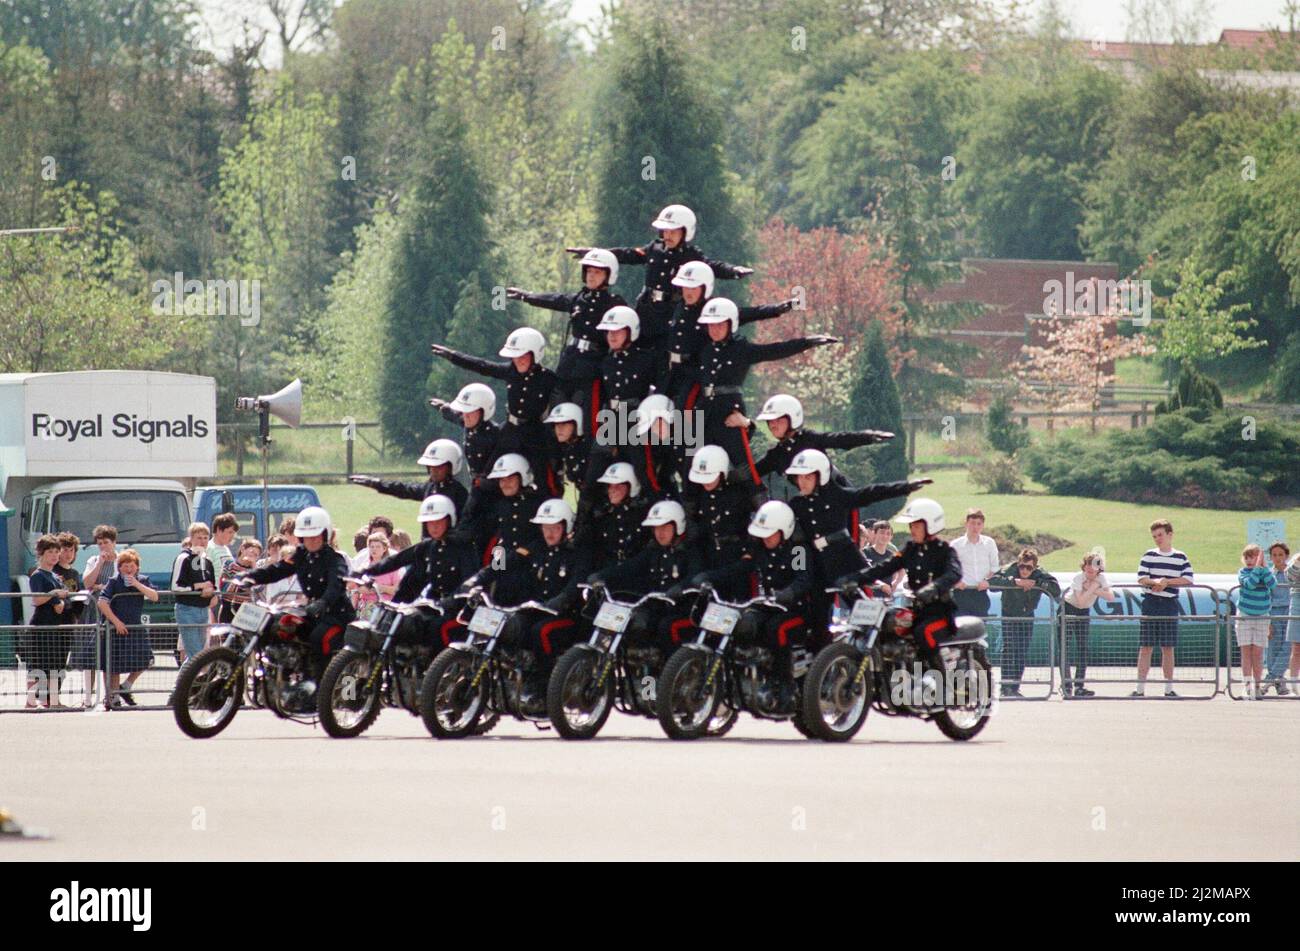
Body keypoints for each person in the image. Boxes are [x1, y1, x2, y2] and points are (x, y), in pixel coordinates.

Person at [688, 298, 838, 485]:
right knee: (691, 460)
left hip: (729, 412)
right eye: (711, 325)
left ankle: (757, 505)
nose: (715, 329)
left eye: (720, 324)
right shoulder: (704, 349)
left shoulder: (741, 349)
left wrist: (806, 342)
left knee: (744, 468)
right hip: (702, 410)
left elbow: (775, 350)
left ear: (730, 325)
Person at [463, 498, 590, 704]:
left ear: (566, 527)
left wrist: (557, 603)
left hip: (565, 616)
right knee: (508, 626)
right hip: (532, 610)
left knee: (541, 632)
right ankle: (508, 676)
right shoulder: (534, 548)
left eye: (555, 527)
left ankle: (543, 685)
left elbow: (574, 588)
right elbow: (503, 563)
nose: (549, 533)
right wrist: (477, 579)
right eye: (545, 527)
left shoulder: (577, 554)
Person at [573, 203, 753, 348]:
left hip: (671, 312)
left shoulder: (691, 255)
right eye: (665, 231)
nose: (667, 236)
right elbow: (629, 254)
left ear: (685, 231)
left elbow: (711, 267)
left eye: (673, 231)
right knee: (636, 347)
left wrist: (733, 271)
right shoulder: (654, 248)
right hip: (646, 310)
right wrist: (594, 253)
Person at [784, 449, 931, 615]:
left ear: (820, 477)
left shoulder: (836, 496)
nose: (802, 482)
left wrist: (905, 487)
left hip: (844, 557)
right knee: (817, 615)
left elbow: (869, 493)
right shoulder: (796, 504)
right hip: (817, 562)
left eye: (808, 477)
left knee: (864, 609)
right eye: (799, 477)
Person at [695, 500, 819, 685]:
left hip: (794, 610)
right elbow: (739, 569)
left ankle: (785, 685)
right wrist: (708, 577)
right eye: (763, 533)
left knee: (776, 629)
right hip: (766, 607)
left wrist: (788, 593)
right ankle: (743, 676)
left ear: (783, 530)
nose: (766, 538)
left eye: (770, 533)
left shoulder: (797, 550)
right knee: (744, 624)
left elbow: (803, 580)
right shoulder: (759, 551)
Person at [240, 506, 356, 701]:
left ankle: (318, 693)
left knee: (318, 638)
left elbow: (336, 585)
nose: (311, 540)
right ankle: (280, 678)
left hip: (335, 614)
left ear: (325, 534)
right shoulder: (301, 555)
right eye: (306, 536)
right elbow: (278, 569)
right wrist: (251, 577)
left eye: (316, 535)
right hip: (311, 611)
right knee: (277, 625)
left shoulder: (335, 559)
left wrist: (323, 603)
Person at [506, 248, 627, 412]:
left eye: (597, 272)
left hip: (594, 367)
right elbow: (555, 299)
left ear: (609, 275)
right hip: (569, 364)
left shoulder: (615, 304)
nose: (591, 275)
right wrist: (527, 296)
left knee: (588, 416)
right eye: (589, 271)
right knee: (558, 409)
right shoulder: (579, 299)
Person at [431, 328, 558, 480]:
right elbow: (482, 366)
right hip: (509, 431)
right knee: (488, 473)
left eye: (523, 355)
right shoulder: (510, 371)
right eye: (514, 356)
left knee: (544, 474)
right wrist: (453, 356)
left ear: (535, 354)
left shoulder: (549, 378)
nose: (518, 360)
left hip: (536, 434)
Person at [589, 499, 704, 665]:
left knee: (667, 627)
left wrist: (680, 588)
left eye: (665, 527)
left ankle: (671, 671)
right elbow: (630, 566)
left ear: (677, 526)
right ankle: (633, 668)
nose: (660, 533)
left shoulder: (690, 551)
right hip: (656, 608)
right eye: (656, 528)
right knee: (634, 621)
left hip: (682, 610)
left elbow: (695, 575)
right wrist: (601, 576)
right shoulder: (653, 551)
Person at [662, 262, 796, 399]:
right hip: (669, 373)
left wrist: (775, 310)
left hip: (694, 376)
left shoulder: (713, 310)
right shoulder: (677, 307)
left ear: (705, 288)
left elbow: (747, 314)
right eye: (684, 287)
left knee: (686, 418)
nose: (688, 292)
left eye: (693, 287)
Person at [855, 499, 963, 669]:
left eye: (917, 526)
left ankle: (941, 679)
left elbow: (954, 573)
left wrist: (934, 587)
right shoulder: (910, 549)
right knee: (889, 627)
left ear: (930, 526)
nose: (912, 530)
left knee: (923, 632)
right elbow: (885, 567)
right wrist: (856, 578)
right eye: (911, 526)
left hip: (939, 613)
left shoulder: (945, 550)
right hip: (917, 610)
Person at [360, 495, 480, 646]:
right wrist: (365, 571)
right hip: (431, 605)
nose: (434, 527)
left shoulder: (464, 548)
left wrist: (450, 601)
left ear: (449, 521)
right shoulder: (428, 546)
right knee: (402, 623)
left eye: (438, 522)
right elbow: (396, 560)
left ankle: (436, 669)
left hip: (456, 610)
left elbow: (469, 583)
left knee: (435, 629)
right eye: (430, 523)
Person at [749, 393, 894, 504]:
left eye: (779, 420)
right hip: (807, 507)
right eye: (770, 421)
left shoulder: (809, 438)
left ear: (793, 418)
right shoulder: (776, 454)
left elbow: (839, 439)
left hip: (836, 499)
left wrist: (869, 437)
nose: (773, 425)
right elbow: (753, 473)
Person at [683, 445, 758, 599]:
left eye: (710, 477)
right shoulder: (700, 496)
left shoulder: (738, 492)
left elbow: (757, 520)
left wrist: (750, 552)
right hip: (710, 558)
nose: (705, 483)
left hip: (737, 557)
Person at [1134, 518, 1193, 698]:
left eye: (1160, 535)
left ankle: (1168, 688)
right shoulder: (1149, 555)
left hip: (1169, 604)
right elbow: (1141, 578)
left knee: (1168, 647)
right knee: (1146, 646)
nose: (1157, 539)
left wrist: (1167, 582)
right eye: (1154, 536)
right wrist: (1155, 583)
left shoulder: (1180, 557)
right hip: (1151, 602)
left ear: (1170, 534)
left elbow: (1188, 579)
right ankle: (1140, 688)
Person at [989, 548, 1060, 697]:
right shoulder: (1010, 569)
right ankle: (1005, 687)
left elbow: (1055, 589)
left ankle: (1015, 687)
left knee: (1021, 650)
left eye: (1029, 567)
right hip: (1009, 614)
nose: (1025, 570)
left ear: (1034, 567)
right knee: (1009, 649)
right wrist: (1015, 582)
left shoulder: (1039, 573)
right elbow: (993, 582)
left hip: (1027, 614)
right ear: (1018, 563)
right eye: (1022, 566)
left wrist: (1036, 583)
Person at [95, 550, 159, 708]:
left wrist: (137, 584)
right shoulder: (113, 581)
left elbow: (155, 597)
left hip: (135, 626)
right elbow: (102, 602)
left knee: (147, 659)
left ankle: (126, 686)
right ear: (119, 567)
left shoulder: (143, 580)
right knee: (114, 665)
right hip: (115, 628)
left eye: (132, 566)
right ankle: (112, 697)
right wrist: (116, 622)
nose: (129, 569)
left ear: (137, 567)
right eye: (125, 566)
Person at [349, 439, 469, 519]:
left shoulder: (459, 494)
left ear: (451, 466)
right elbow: (405, 489)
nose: (433, 470)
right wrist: (377, 484)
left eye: (439, 466)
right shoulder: (430, 488)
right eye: (431, 466)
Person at [593, 305, 662, 432]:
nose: (611, 336)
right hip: (610, 422)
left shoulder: (646, 360)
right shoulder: (605, 361)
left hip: (637, 423)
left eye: (617, 331)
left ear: (631, 332)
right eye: (608, 331)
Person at [572, 461, 650, 569]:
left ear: (631, 486)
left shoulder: (642, 515)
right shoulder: (601, 515)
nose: (612, 491)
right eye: (610, 486)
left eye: (618, 486)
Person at [1060, 551, 1117, 698]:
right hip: (1068, 608)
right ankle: (1066, 685)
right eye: (1088, 564)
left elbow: (1111, 597)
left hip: (1084, 612)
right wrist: (1093, 589)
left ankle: (1080, 685)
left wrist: (1094, 588)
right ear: (1084, 566)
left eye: (1094, 565)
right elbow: (1080, 600)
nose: (1090, 568)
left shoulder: (1101, 578)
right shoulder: (1078, 578)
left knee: (1083, 648)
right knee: (1064, 647)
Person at [21, 535, 67, 708]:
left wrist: (58, 598)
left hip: (55, 625)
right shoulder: (38, 576)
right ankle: (31, 701)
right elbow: (37, 599)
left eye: (57, 551)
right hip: (41, 624)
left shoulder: (55, 576)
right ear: (41, 554)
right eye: (50, 552)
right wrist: (55, 594)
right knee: (37, 664)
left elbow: (61, 604)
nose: (54, 555)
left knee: (53, 664)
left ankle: (52, 700)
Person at [430, 382, 503, 489]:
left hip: (497, 490)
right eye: (463, 411)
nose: (465, 415)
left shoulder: (496, 434)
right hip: (477, 487)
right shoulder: (470, 425)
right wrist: (443, 407)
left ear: (483, 411)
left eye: (470, 411)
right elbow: (455, 416)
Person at [170, 523, 218, 666]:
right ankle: (187, 687)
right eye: (198, 538)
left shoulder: (208, 561)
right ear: (191, 539)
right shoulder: (183, 558)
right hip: (187, 610)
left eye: (205, 538)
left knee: (198, 656)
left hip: (203, 610)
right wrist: (197, 587)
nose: (202, 541)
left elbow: (212, 584)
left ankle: (181, 686)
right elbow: (175, 586)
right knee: (196, 655)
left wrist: (210, 591)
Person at [1236, 544, 1275, 700]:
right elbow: (1250, 584)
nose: (1249, 560)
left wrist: (1263, 569)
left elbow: (1272, 585)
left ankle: (1257, 686)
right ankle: (1246, 686)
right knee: (1246, 651)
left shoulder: (1267, 571)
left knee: (1258, 653)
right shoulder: (1243, 572)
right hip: (1245, 615)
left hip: (1262, 615)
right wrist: (1257, 569)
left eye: (1253, 557)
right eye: (1247, 557)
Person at [51, 533, 85, 704]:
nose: (68, 554)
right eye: (64, 550)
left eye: (71, 550)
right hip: (56, 618)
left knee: (63, 659)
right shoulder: (54, 571)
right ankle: (48, 696)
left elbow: (78, 593)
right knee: (52, 659)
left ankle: (55, 695)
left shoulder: (74, 572)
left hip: (70, 618)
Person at [950, 509, 1000, 621]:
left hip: (980, 594)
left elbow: (995, 567)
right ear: (966, 523)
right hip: (961, 594)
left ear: (983, 525)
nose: (975, 527)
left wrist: (987, 581)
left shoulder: (989, 543)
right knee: (961, 632)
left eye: (979, 524)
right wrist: (956, 581)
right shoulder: (955, 545)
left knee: (979, 631)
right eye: (972, 523)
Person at [1263, 542, 1292, 696]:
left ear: (1286, 556)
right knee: (1273, 647)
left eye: (1281, 555)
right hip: (1274, 612)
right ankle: (1279, 680)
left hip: (1290, 611)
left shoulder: (1292, 572)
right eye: (1274, 555)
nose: (1278, 558)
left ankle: (1270, 678)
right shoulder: (1269, 574)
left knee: (1288, 647)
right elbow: (1266, 597)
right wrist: (1267, 620)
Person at [349, 533, 402, 611]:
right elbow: (355, 590)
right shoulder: (364, 567)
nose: (374, 549)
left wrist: (379, 588)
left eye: (378, 547)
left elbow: (397, 590)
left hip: (385, 608)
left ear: (384, 549)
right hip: (365, 607)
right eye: (372, 547)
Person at [860, 520, 902, 594]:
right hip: (869, 596)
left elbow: (902, 569)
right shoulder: (865, 553)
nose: (885, 536)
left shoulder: (892, 555)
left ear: (891, 537)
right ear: (874, 533)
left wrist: (895, 582)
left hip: (886, 597)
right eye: (882, 532)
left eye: (888, 534)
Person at [207, 513, 239, 581]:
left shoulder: (226, 549)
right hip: (216, 591)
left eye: (233, 533)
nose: (233, 536)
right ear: (219, 530)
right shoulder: (209, 548)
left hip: (226, 591)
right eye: (230, 532)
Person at [1286, 550, 1300, 688]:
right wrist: (1298, 561)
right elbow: (1289, 576)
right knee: (1296, 648)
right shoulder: (1296, 558)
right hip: (1297, 604)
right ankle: (1294, 685)